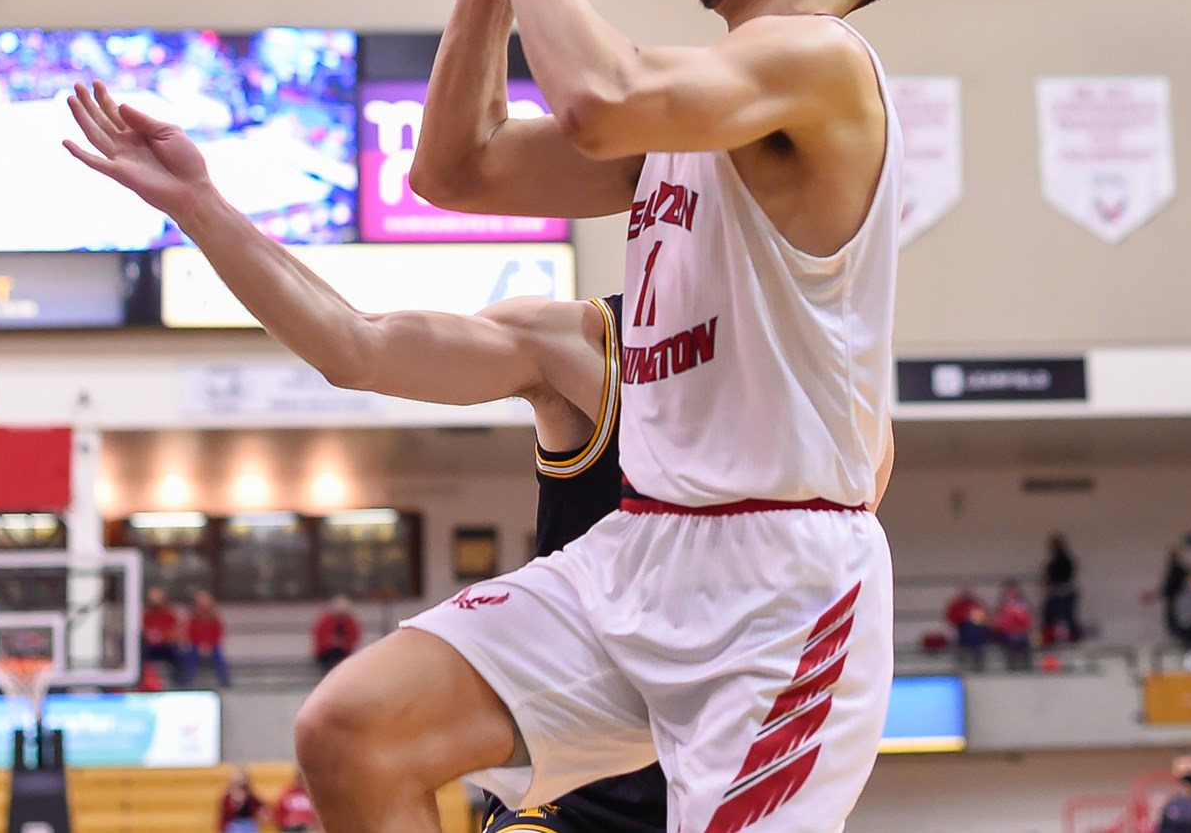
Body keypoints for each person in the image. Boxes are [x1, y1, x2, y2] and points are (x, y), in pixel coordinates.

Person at [295, 0, 908, 832]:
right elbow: (457, 166)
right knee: (353, 730)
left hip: (779, 589)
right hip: (641, 548)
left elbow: (598, 95)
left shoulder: (823, 59)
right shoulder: (699, 107)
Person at [62, 79, 725, 833]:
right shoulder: (576, 346)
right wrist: (198, 205)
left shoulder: (810, 405)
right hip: (580, 786)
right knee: (347, 729)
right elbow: (355, 346)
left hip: (729, 763)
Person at [141, 587, 191, 687]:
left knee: (180, 656)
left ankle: (180, 684)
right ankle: (142, 683)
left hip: (166, 646)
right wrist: (149, 636)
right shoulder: (146, 614)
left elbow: (176, 631)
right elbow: (143, 629)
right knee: (138, 654)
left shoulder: (169, 613)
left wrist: (164, 637)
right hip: (150, 647)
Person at [1042, 534, 1082, 644]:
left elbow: (1063, 576)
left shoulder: (1065, 560)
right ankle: (1048, 638)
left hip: (1064, 591)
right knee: (1049, 616)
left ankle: (1074, 638)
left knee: (1067, 617)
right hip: (1056, 592)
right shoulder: (1055, 561)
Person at [187, 591, 230, 689]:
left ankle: (225, 682)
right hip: (196, 646)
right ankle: (188, 682)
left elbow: (218, 634)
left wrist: (209, 646)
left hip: (212, 646)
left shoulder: (215, 620)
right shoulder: (193, 620)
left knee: (220, 660)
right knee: (189, 659)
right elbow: (191, 634)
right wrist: (200, 645)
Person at [944, 584, 990, 673]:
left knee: (974, 629)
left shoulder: (977, 604)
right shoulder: (956, 605)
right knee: (968, 628)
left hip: (976, 632)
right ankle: (964, 665)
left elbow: (983, 619)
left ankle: (978, 664)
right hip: (961, 631)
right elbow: (951, 618)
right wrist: (964, 618)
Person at [992, 580, 1035, 671]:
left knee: (1027, 643)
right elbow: (999, 623)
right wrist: (1010, 632)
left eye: (1013, 590)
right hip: (1007, 634)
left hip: (1022, 633)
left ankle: (1028, 668)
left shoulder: (1024, 605)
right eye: (1009, 591)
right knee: (1008, 642)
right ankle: (1012, 668)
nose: (1011, 593)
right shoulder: (1002, 606)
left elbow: (1028, 621)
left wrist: (1020, 632)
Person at [312, 598, 361, 675]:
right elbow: (320, 639)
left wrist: (344, 643)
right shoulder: (325, 621)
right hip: (326, 653)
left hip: (343, 652)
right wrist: (331, 642)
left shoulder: (350, 623)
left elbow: (354, 638)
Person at [219, 767, 265, 833]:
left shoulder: (250, 796)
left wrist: (261, 812)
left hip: (248, 824)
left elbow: (259, 806)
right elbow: (225, 815)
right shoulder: (228, 797)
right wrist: (235, 803)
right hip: (233, 824)